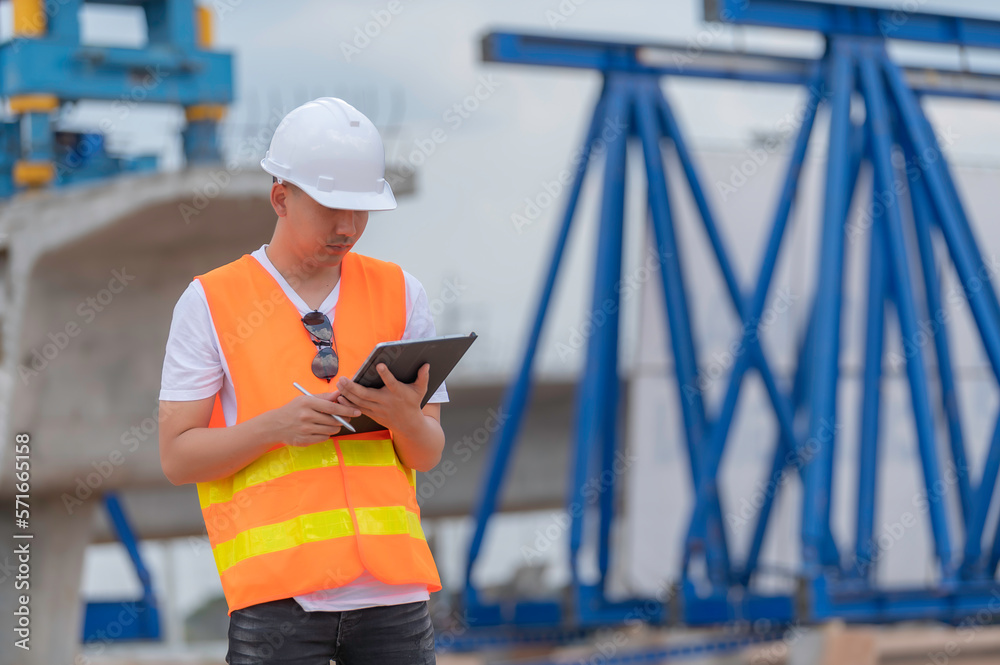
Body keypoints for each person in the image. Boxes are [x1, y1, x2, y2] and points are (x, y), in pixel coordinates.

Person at [158, 97, 445, 664]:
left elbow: (428, 452)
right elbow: (178, 457)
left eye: (361, 211)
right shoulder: (210, 301)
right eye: (331, 209)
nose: (348, 227)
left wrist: (404, 418)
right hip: (277, 603)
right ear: (281, 198)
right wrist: (276, 427)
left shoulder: (402, 293)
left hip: (394, 598)